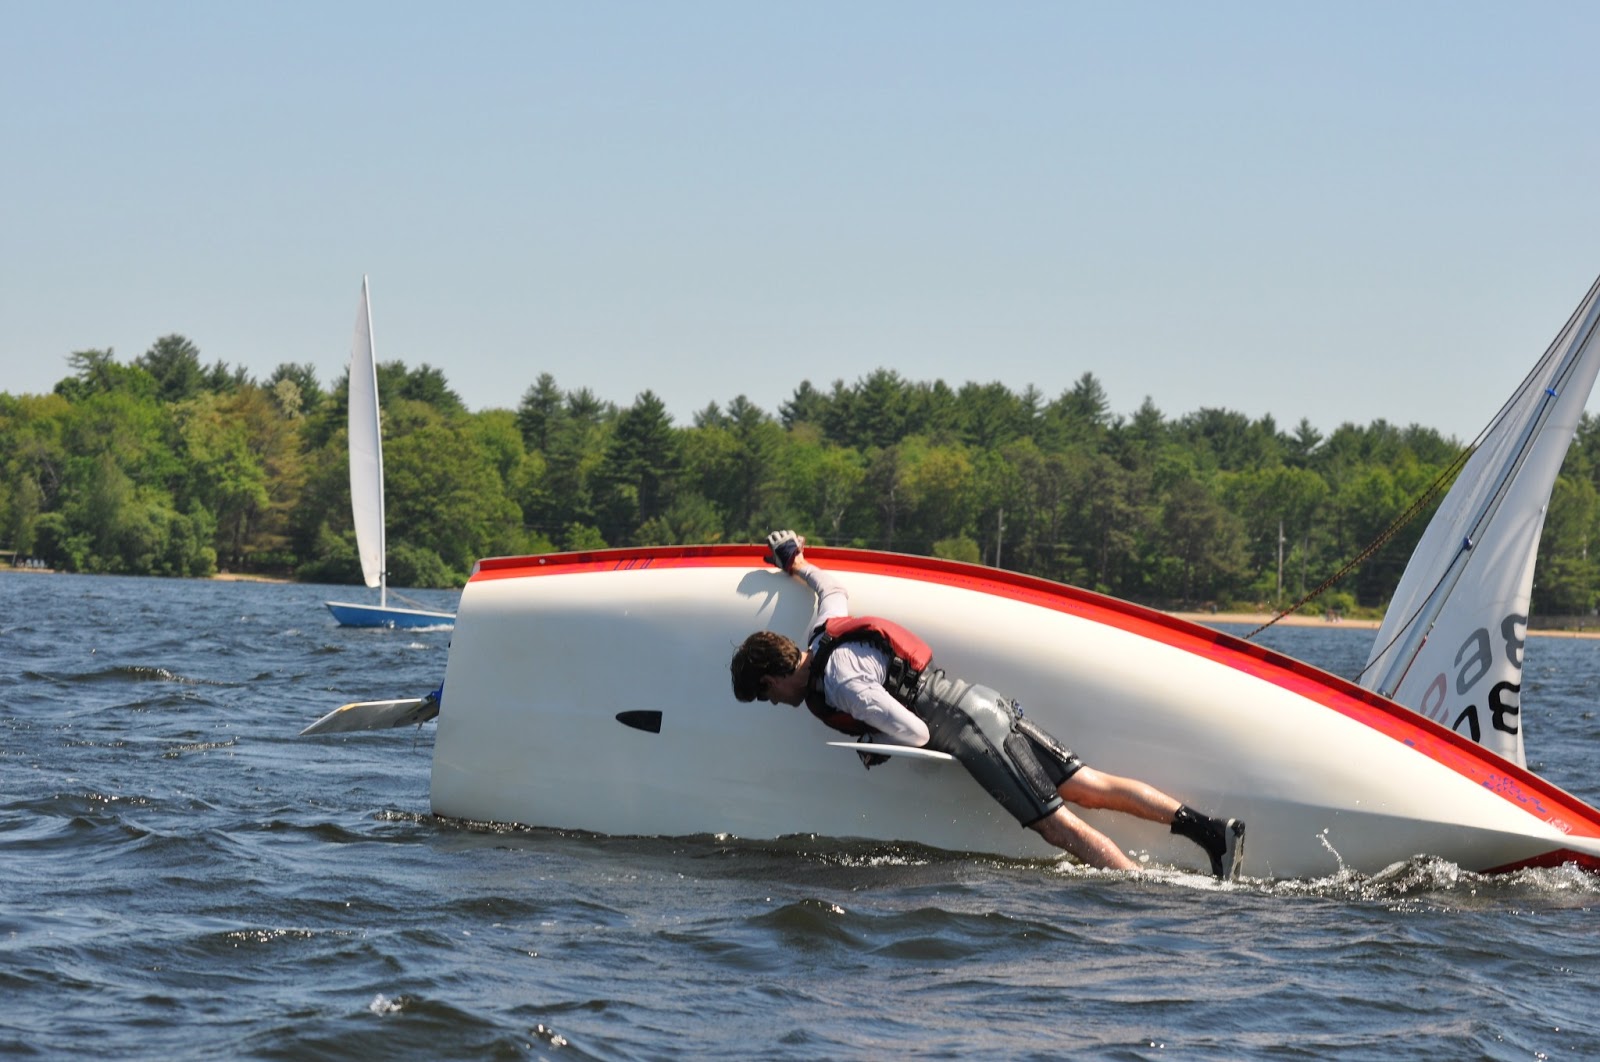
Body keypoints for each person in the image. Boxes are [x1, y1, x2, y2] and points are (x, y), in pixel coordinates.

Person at [730, 530, 1246, 878]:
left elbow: (914, 733)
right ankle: (1212, 832)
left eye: (766, 693)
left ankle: (1142, 891)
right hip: (984, 703)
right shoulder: (820, 633)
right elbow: (831, 587)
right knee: (1089, 786)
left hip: (970, 730)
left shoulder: (841, 683)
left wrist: (870, 740)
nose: (774, 703)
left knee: (1056, 824)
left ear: (775, 673)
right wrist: (796, 561)